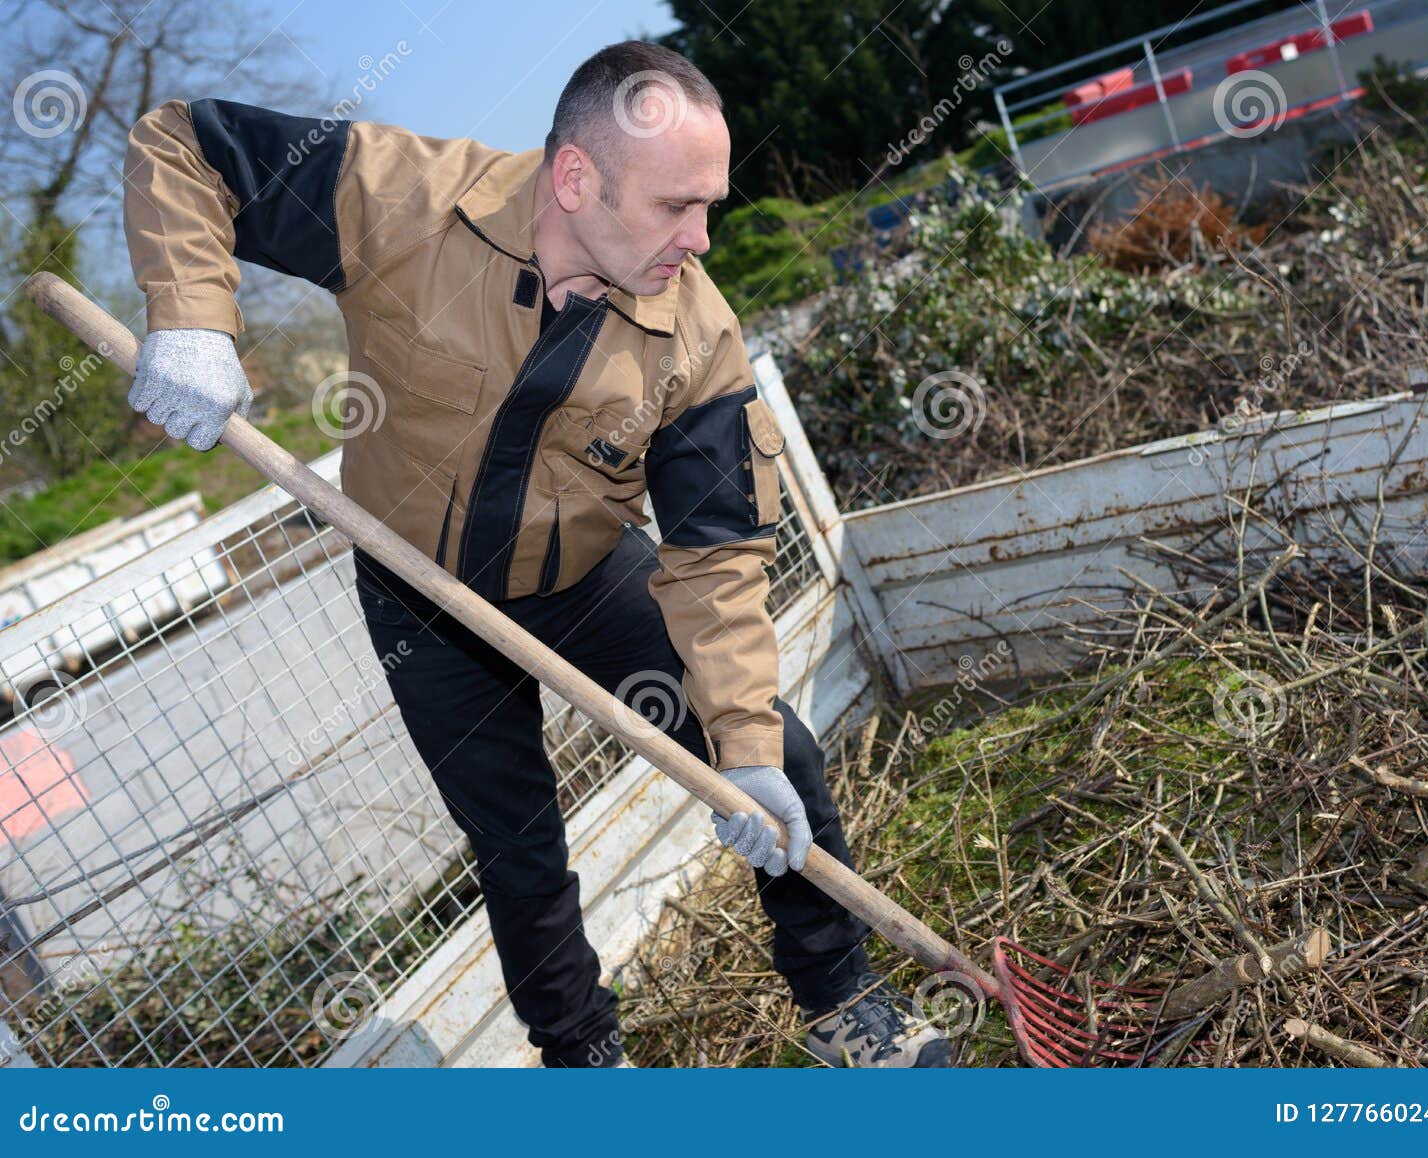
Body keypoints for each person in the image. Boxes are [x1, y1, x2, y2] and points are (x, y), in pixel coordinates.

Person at [119, 39, 951, 1068]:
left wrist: (738, 741)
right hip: (414, 587)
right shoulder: (407, 203)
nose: (698, 239)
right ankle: (584, 1061)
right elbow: (183, 146)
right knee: (518, 853)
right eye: (673, 207)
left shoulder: (696, 340)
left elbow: (717, 556)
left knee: (782, 756)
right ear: (574, 178)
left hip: (578, 581)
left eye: (711, 206)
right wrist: (193, 317)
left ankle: (840, 1003)